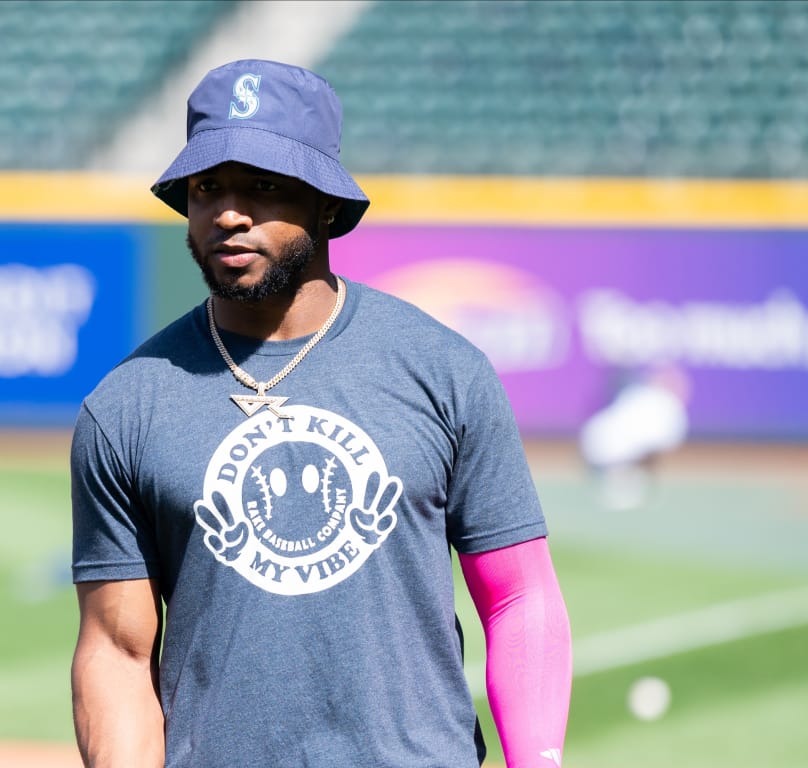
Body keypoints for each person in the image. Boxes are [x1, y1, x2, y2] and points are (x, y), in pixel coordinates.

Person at [70, 59, 572, 767]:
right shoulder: (126, 405)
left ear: (326, 204)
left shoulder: (444, 370)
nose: (230, 212)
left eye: (263, 186)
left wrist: (539, 761)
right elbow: (116, 651)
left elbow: (519, 596)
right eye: (208, 187)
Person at [577, 364, 691, 511]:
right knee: (638, 479)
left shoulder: (641, 391)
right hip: (611, 453)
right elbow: (656, 452)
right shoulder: (670, 407)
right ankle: (621, 476)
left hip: (590, 440)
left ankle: (617, 476)